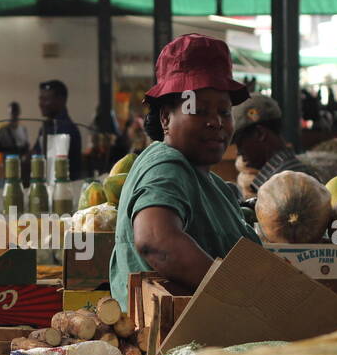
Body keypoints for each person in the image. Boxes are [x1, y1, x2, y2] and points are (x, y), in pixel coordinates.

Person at [108, 34, 260, 310]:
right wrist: (238, 295)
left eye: (224, 112)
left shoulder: (208, 181)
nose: (215, 122)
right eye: (199, 110)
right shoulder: (166, 165)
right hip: (179, 346)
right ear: (166, 118)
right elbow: (156, 241)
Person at [232, 94, 321, 199]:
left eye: (240, 143)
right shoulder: (279, 176)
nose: (238, 152)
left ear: (260, 134)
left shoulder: (286, 183)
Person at [36, 80, 83, 179]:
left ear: (61, 100)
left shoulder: (67, 130)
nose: (41, 103)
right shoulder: (46, 127)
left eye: (46, 99)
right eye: (41, 99)